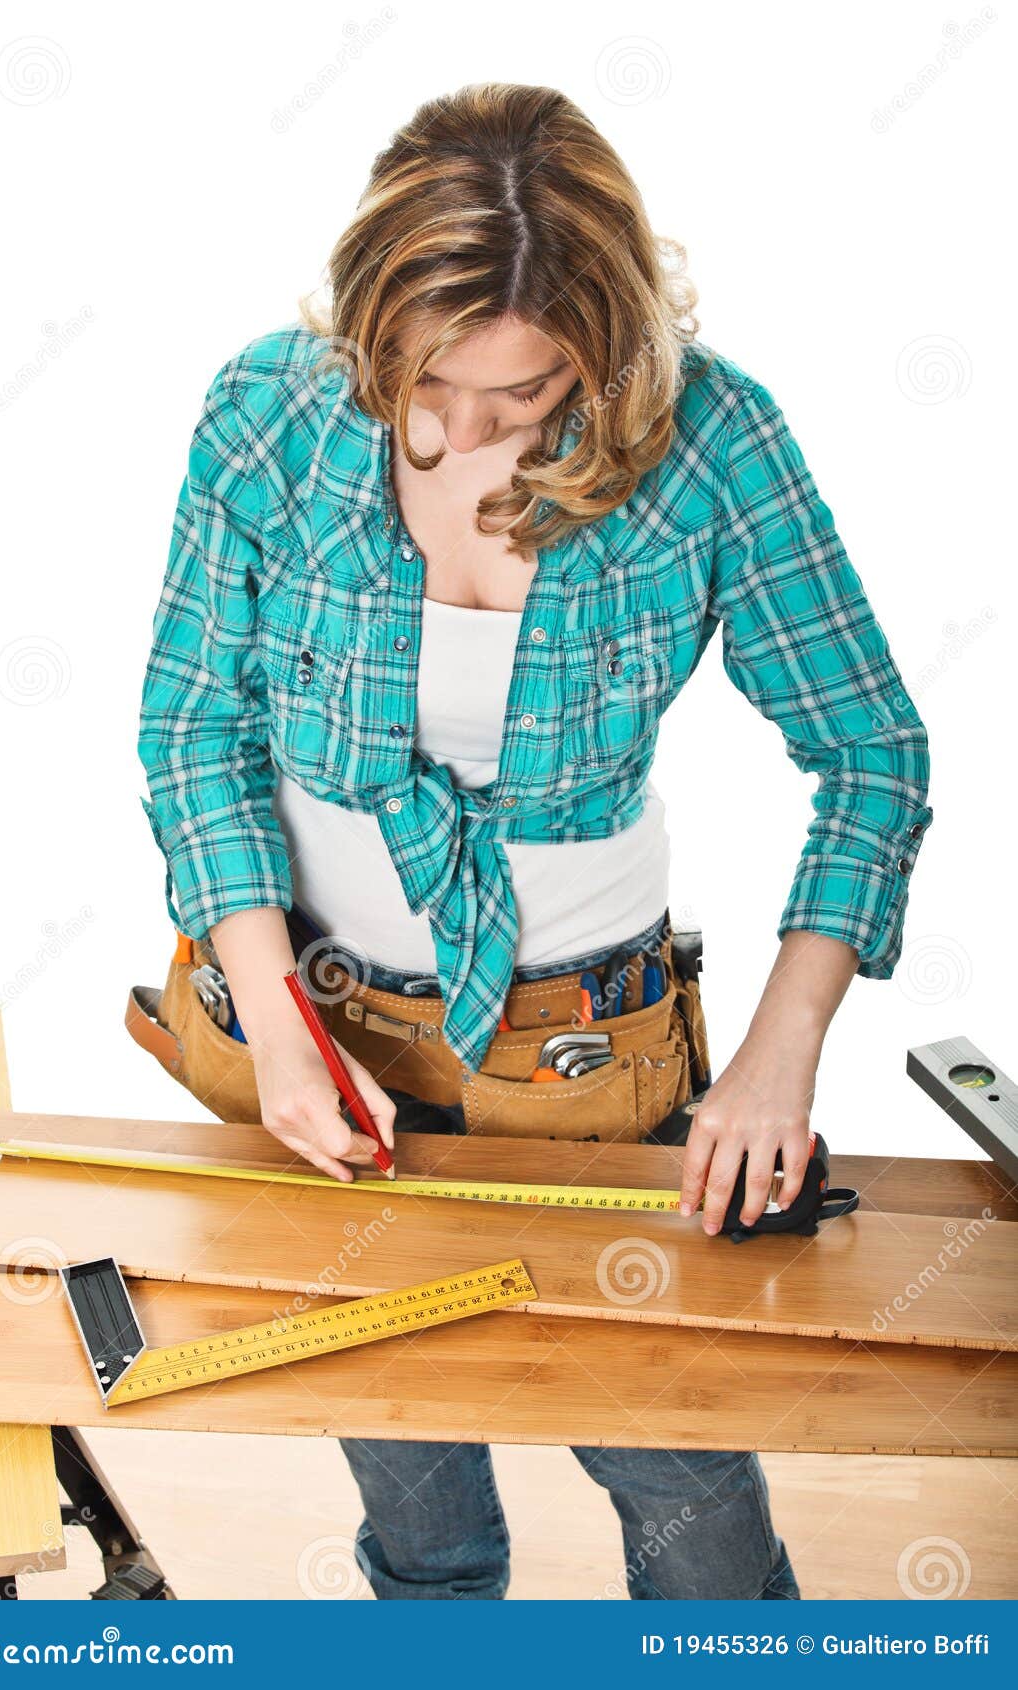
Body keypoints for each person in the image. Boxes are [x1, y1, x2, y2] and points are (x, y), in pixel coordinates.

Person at [137, 83, 932, 1599]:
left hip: (583, 1049)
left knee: (688, 1503)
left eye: (527, 397)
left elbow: (872, 755)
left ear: (610, 351)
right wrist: (286, 1025)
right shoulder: (271, 413)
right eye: (426, 385)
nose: (462, 435)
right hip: (318, 1029)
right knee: (413, 1469)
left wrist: (779, 1055)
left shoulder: (712, 443)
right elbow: (192, 732)